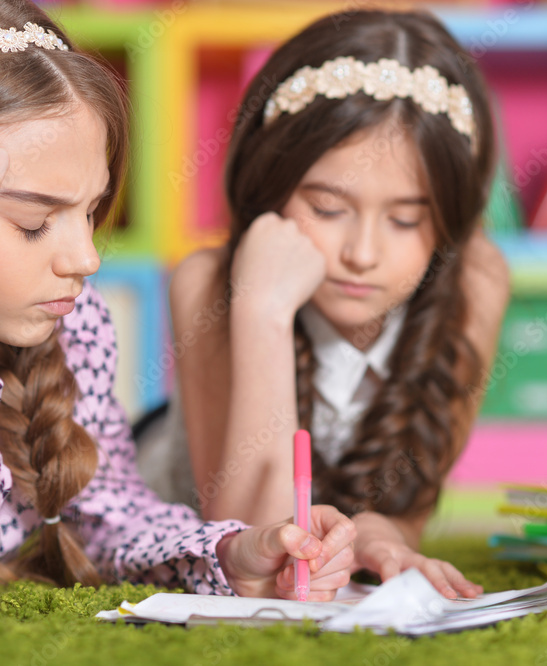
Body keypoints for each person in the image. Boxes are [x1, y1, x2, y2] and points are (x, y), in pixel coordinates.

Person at [0, 0, 356, 619]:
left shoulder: (69, 322)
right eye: (34, 223)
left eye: (90, 212)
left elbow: (105, 513)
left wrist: (227, 556)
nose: (84, 258)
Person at [136, 8, 510, 600]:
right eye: (329, 209)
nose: (362, 253)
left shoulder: (477, 283)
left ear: (448, 222)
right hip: (174, 510)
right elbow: (248, 541)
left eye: (406, 218)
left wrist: (378, 537)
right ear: (268, 187)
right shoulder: (206, 282)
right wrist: (263, 311)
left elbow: (410, 504)